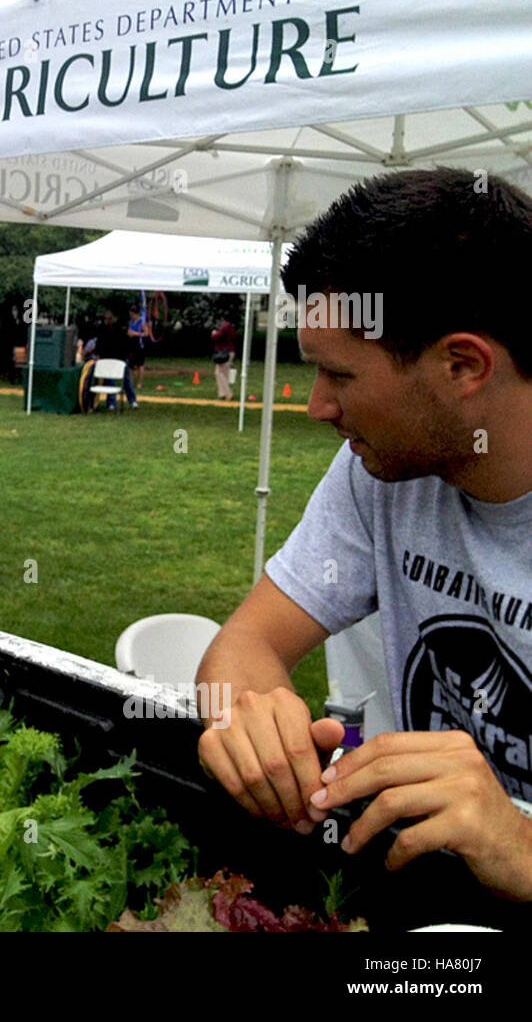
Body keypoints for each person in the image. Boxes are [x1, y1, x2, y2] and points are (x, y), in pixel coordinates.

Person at [196, 167, 532, 900]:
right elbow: (241, 648)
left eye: (339, 376)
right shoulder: (379, 474)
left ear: (463, 364)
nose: (317, 407)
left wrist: (519, 840)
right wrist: (253, 716)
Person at [96, 309, 137, 410]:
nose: (108, 321)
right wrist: (99, 356)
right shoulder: (102, 330)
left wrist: (127, 356)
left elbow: (126, 343)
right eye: (106, 319)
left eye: (110, 318)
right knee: (110, 381)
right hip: (107, 359)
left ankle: (132, 401)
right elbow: (99, 344)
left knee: (127, 380)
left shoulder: (120, 329)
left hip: (120, 359)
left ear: (114, 318)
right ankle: (111, 403)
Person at [211, 315, 238, 401]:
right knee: (225, 373)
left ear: (223, 319)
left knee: (219, 372)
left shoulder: (224, 327)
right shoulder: (231, 328)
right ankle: (222, 393)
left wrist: (214, 333)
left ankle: (227, 393)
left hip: (223, 352)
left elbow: (216, 337)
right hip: (231, 351)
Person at [126, 304, 150, 391]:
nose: (131, 316)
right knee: (131, 365)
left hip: (140, 345)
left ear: (136, 313)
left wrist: (135, 333)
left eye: (132, 314)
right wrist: (129, 333)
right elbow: (129, 331)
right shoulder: (132, 322)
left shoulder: (142, 322)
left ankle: (140, 383)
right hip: (132, 345)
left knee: (140, 364)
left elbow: (146, 334)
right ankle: (131, 383)